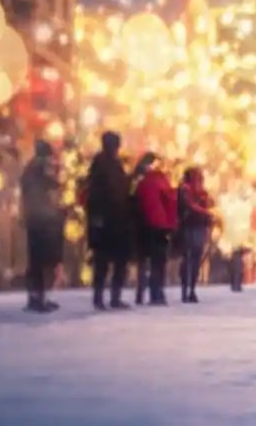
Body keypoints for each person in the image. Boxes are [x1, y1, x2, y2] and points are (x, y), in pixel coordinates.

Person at [86, 131, 132, 310]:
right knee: (103, 261)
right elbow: (110, 191)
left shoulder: (108, 164)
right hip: (108, 220)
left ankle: (112, 297)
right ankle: (103, 297)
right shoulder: (103, 165)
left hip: (115, 219)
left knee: (115, 260)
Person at [20, 141, 63, 313]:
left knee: (39, 262)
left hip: (38, 220)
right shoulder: (36, 171)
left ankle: (38, 298)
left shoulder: (32, 170)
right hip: (39, 222)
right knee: (39, 262)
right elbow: (44, 190)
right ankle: (36, 299)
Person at [133, 153, 177, 305]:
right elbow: (170, 202)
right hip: (159, 226)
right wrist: (171, 225)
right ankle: (156, 293)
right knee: (158, 262)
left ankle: (140, 293)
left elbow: (135, 202)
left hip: (142, 225)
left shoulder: (139, 182)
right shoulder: (162, 181)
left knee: (142, 261)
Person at [177, 168, 214, 303]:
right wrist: (206, 212)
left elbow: (208, 205)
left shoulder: (202, 192)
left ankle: (191, 289)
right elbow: (189, 206)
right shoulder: (185, 190)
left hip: (198, 227)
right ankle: (186, 289)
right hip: (188, 226)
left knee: (195, 260)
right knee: (189, 259)